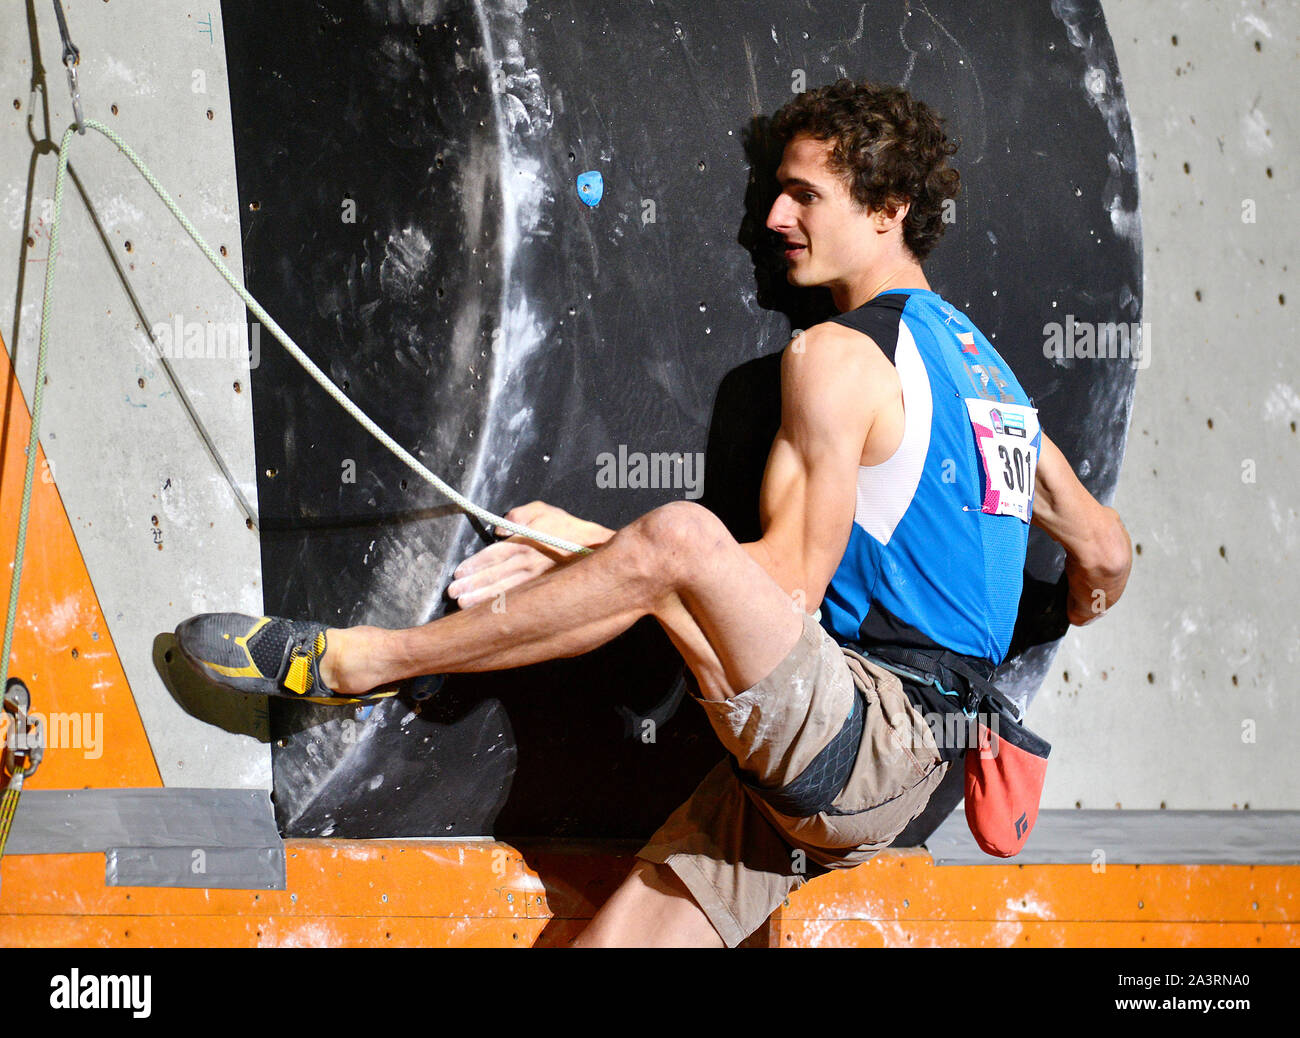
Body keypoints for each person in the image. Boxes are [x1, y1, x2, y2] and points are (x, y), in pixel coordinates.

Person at [176, 79, 1132, 947]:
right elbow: (1106, 553)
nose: (772, 217)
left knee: (679, 538)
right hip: (902, 771)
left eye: (805, 194)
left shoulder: (836, 357)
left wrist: (594, 549)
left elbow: (784, 588)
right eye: (775, 192)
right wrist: (1051, 606)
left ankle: (361, 663)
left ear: (888, 210)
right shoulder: (989, 384)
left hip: (857, 739)